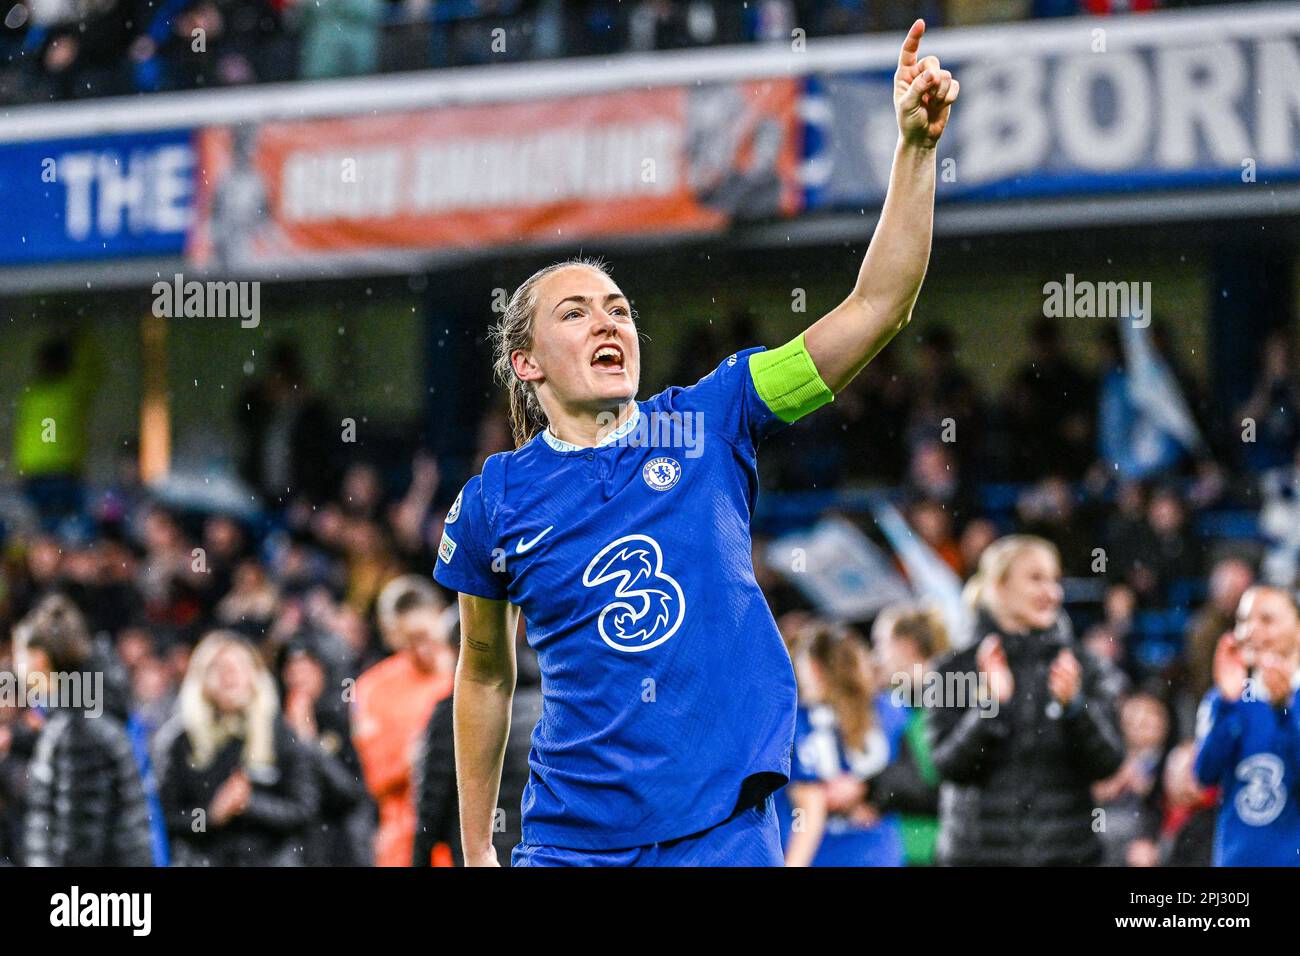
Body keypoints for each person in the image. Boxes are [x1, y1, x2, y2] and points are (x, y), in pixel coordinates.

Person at [438, 19, 959, 867]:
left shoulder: (714, 415)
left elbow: (878, 308)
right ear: (526, 362)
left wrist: (913, 150)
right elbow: (485, 677)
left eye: (618, 308)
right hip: (570, 844)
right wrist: (476, 852)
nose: (608, 320)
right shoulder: (493, 501)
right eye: (576, 312)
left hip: (719, 832)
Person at [927, 535, 1126, 865]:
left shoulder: (1085, 667)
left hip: (1067, 858)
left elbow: (1108, 763)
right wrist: (991, 707)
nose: (1052, 592)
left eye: (1054, 580)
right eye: (1036, 578)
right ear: (998, 587)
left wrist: (1075, 707)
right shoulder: (953, 668)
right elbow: (947, 767)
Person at [155, 630, 319, 866]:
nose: (230, 674)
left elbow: (304, 811)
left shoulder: (280, 733)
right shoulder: (181, 741)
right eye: (219, 667)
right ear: (201, 678)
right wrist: (210, 816)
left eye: (239, 665)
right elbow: (166, 816)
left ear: (255, 675)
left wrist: (250, 804)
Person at [16, 595, 154, 866]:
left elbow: (81, 844)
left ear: (39, 659)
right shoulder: (83, 714)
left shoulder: (78, 728)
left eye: (20, 656)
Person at [779, 624, 907, 867]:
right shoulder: (891, 710)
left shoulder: (801, 720)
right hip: (880, 853)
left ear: (815, 667)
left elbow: (810, 805)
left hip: (826, 854)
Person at [351, 576, 455, 867]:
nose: (420, 649)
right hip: (404, 844)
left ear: (441, 617)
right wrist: (428, 758)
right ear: (391, 635)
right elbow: (376, 778)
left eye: (425, 636)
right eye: (409, 640)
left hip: (463, 836)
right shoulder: (373, 688)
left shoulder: (471, 676)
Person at [1194, 585, 1300, 866]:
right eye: (1243, 620)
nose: (1251, 630)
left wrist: (1286, 711)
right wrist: (1228, 706)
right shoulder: (1223, 697)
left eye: (1266, 620)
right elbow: (1205, 774)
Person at [870, 604, 946, 865]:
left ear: (907, 646)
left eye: (881, 643)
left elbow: (934, 789)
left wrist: (869, 789)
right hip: (906, 849)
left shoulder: (940, 703)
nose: (875, 656)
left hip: (929, 851)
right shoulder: (898, 701)